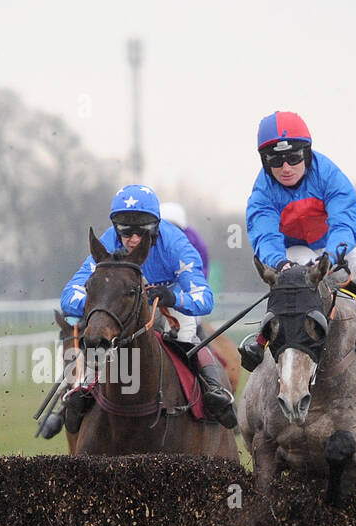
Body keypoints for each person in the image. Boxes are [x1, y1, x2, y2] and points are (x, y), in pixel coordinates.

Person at [241, 111, 356, 371]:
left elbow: (345, 219)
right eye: (276, 160)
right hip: (293, 249)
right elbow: (264, 234)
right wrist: (280, 263)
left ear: (306, 154)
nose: (285, 168)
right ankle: (260, 342)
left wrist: (331, 254)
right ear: (265, 161)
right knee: (288, 284)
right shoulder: (262, 191)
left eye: (293, 157)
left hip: (332, 243)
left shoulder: (329, 174)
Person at [54, 184, 237, 432]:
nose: (133, 240)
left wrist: (174, 298)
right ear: (117, 229)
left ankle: (214, 391)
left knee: (186, 332)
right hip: (126, 305)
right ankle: (80, 390)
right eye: (126, 232)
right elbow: (69, 295)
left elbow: (204, 298)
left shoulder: (176, 244)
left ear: (156, 227)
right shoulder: (108, 241)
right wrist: (98, 307)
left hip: (167, 304)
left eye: (142, 232)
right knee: (97, 332)